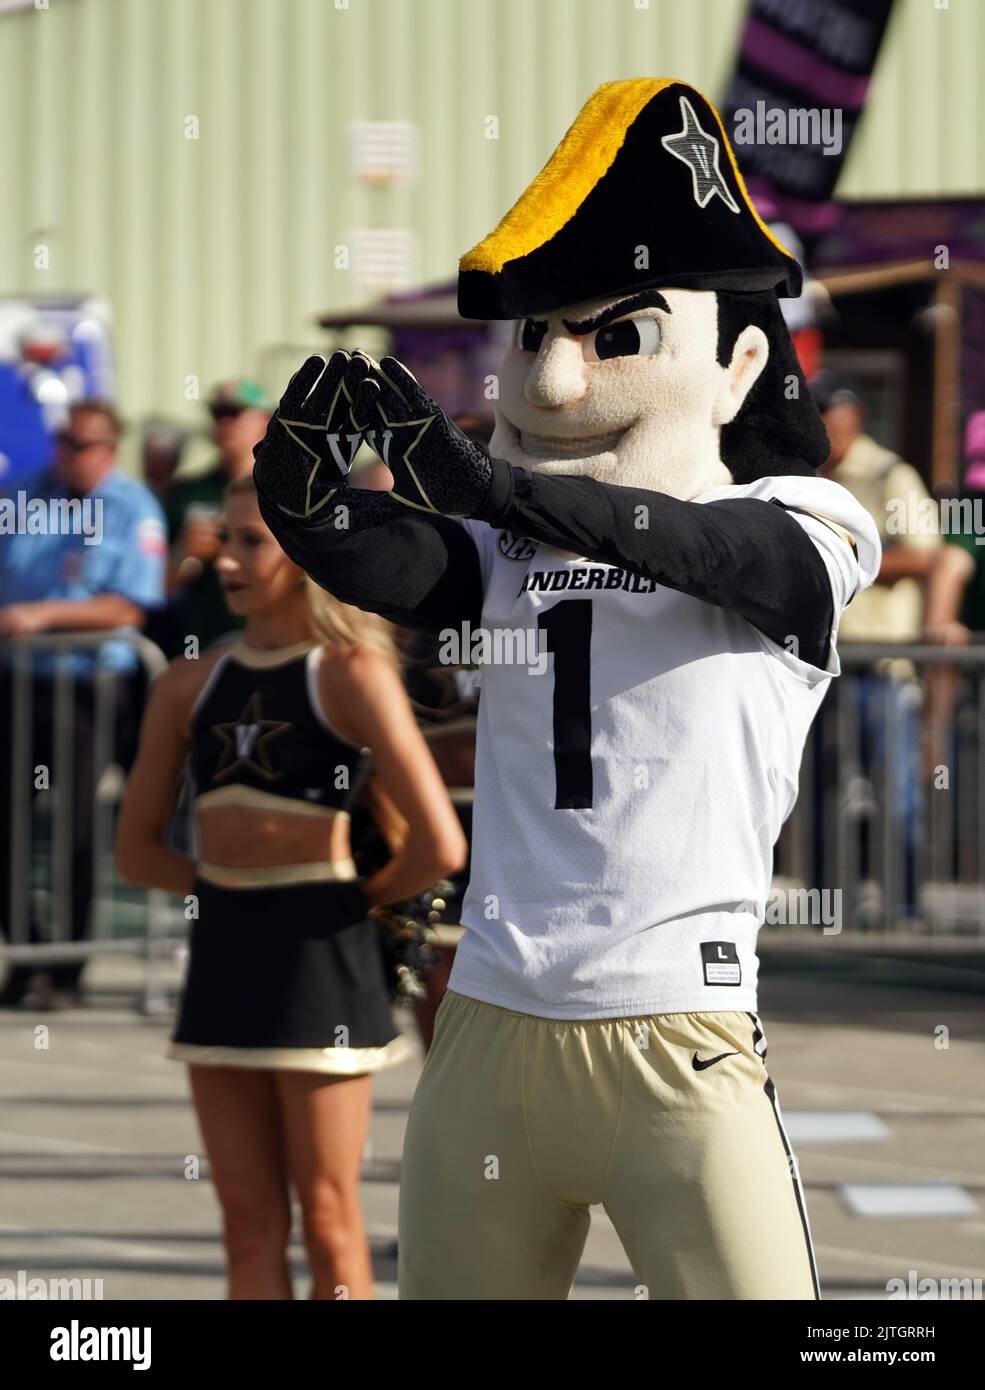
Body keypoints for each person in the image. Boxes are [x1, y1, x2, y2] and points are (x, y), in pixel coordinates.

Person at [255, 79, 881, 1299]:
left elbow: (695, 548)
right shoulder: (515, 532)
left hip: (676, 1039)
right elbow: (390, 557)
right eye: (538, 335)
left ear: (741, 358)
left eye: (609, 336)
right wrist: (304, 492)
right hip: (490, 1018)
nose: (553, 381)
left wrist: (487, 487)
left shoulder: (805, 516)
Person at [116, 474, 466, 1300]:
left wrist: (354, 902)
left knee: (331, 1219)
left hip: (324, 964)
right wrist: (230, 891)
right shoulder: (185, 683)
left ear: (305, 554)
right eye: (223, 538)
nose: (226, 559)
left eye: (251, 542)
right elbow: (135, 852)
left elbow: (438, 843)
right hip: (225, 958)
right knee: (246, 1228)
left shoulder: (350, 672)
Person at [0, 399, 166, 1009]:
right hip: (18, 683)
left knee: (71, 824)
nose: (69, 453)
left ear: (109, 449)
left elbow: (128, 607)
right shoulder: (19, 495)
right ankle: (25, 956)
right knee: (9, 828)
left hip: (86, 684)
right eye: (64, 441)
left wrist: (42, 616)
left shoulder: (131, 507)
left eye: (83, 444)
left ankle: (65, 969)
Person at [812, 373, 940, 921]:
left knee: (898, 797)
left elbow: (925, 555)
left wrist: (846, 558)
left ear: (854, 418)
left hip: (882, 667)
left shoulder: (890, 473)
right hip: (820, 665)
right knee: (818, 792)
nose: (821, 426)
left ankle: (905, 912)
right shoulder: (810, 476)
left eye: (829, 415)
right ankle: (823, 912)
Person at [162, 379, 272, 656]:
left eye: (234, 414)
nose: (223, 424)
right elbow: (154, 586)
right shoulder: (186, 493)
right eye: (217, 415)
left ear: (265, 420)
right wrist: (184, 556)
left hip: (272, 644)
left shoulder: (291, 491)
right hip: (203, 646)